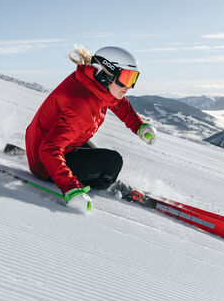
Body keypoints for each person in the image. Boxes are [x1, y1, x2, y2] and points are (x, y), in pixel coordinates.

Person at [25, 46, 158, 211]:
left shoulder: (93, 83)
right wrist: (71, 189)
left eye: (133, 78)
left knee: (100, 159)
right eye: (126, 78)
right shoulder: (81, 105)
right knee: (112, 163)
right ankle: (103, 185)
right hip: (45, 164)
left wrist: (139, 127)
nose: (130, 86)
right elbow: (48, 150)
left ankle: (100, 177)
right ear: (105, 73)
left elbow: (118, 103)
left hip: (52, 144)